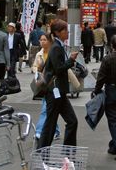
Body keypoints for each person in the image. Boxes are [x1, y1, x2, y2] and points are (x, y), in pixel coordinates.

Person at [37, 19, 78, 149]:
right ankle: (41, 152)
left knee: (72, 121)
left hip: (59, 91)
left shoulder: (58, 46)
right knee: (50, 123)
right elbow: (58, 68)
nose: (68, 32)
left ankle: (68, 151)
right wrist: (71, 60)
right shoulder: (56, 48)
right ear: (57, 32)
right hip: (54, 91)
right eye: (65, 30)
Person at [32, 33, 60, 141]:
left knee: (46, 109)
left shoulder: (54, 52)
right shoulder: (39, 54)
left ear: (49, 41)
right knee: (49, 109)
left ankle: (39, 131)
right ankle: (56, 131)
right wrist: (37, 71)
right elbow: (34, 66)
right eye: (41, 40)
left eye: (44, 40)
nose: (42, 42)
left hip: (53, 85)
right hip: (43, 85)